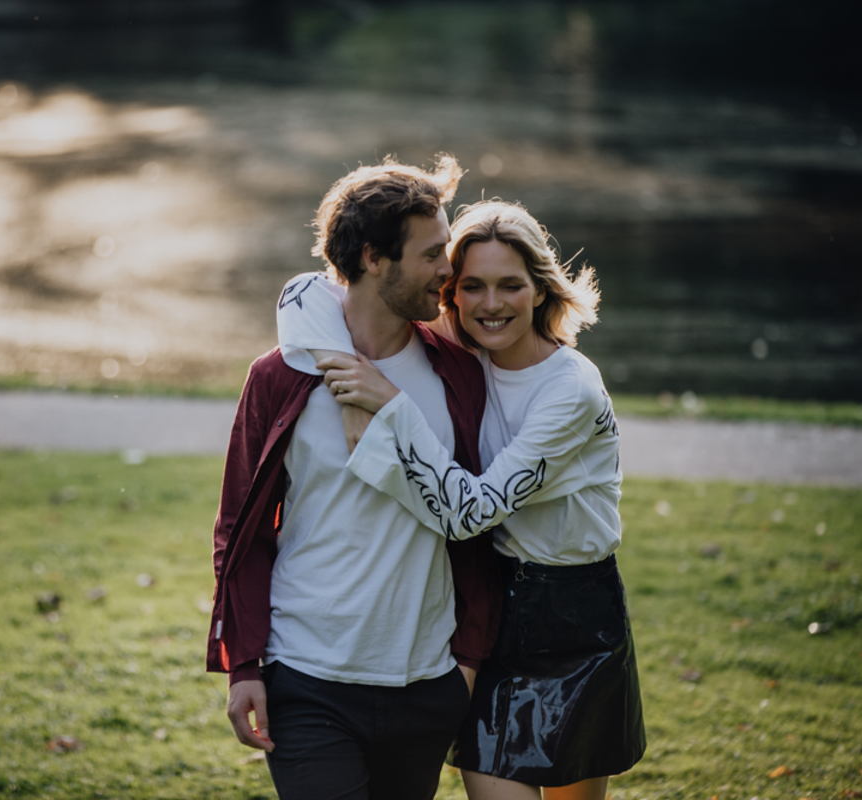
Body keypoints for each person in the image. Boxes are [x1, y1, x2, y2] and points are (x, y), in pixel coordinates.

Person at [275, 199, 645, 800]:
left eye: (510, 286)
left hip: (578, 618)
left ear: (541, 290)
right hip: (497, 612)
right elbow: (302, 291)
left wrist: (389, 405)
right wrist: (342, 371)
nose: (491, 304)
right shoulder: (464, 355)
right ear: (451, 291)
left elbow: (469, 514)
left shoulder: (570, 389)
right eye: (471, 286)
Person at [207, 156, 504, 800]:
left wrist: (468, 663)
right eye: (431, 255)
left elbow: (478, 529)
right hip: (306, 677)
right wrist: (245, 665)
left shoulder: (460, 374)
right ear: (374, 258)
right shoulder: (281, 375)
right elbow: (240, 528)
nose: (447, 271)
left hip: (425, 682)